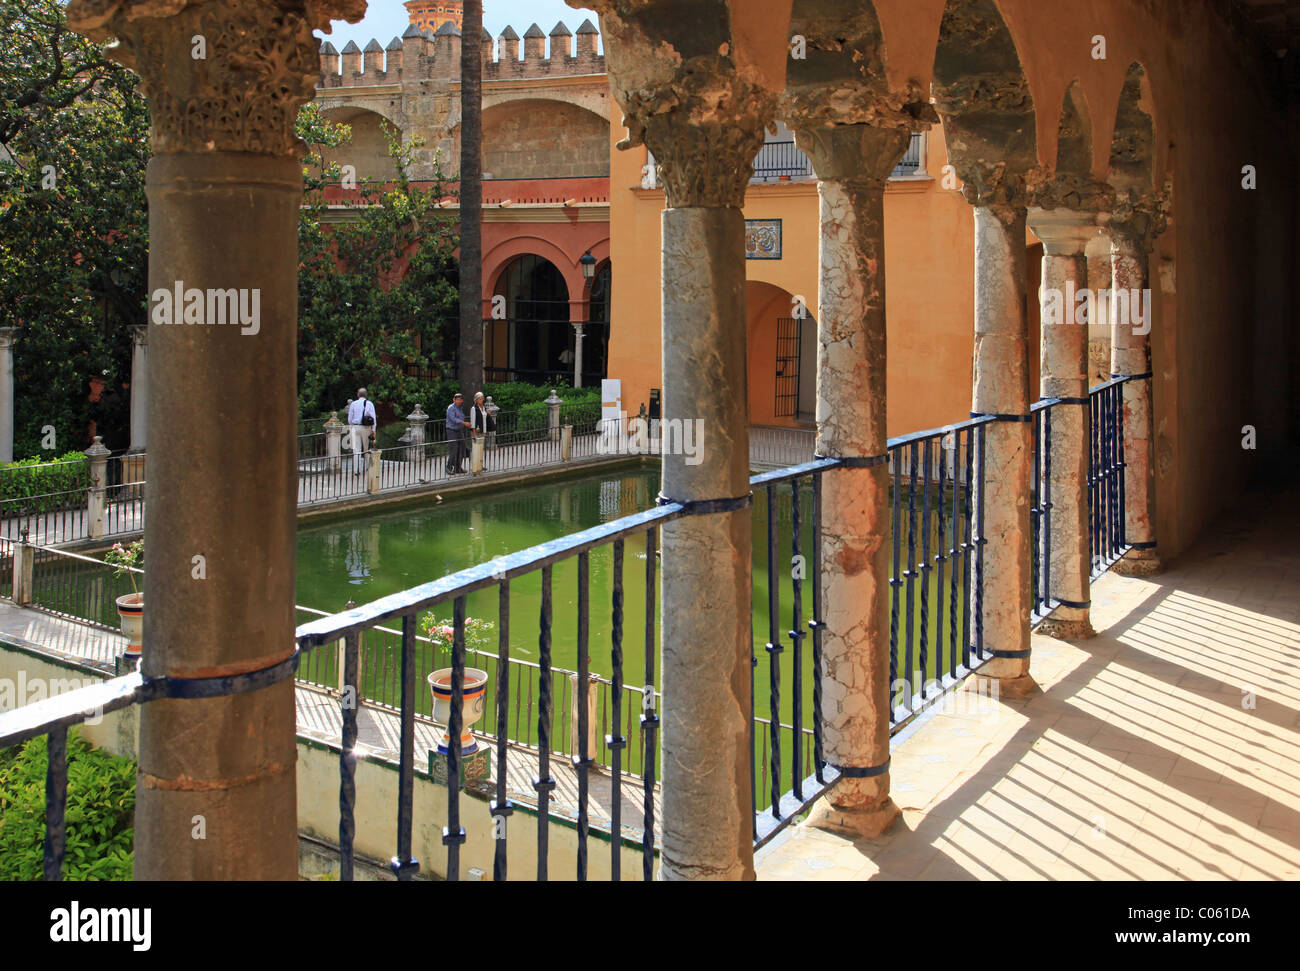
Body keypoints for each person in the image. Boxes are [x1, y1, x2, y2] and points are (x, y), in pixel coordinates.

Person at [346, 387, 377, 475]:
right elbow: (373, 418)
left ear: (358, 395)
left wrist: (352, 426)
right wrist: (374, 430)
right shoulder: (369, 404)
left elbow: (350, 419)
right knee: (366, 448)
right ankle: (368, 467)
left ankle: (356, 470)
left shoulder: (353, 404)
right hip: (366, 428)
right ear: (366, 395)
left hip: (355, 427)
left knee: (356, 450)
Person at [445, 392, 471, 474]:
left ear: (462, 400)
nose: (458, 401)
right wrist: (464, 423)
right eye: (457, 400)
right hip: (451, 430)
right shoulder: (451, 408)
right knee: (454, 449)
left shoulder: (460, 408)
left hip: (459, 430)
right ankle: (448, 467)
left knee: (462, 448)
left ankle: (458, 467)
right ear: (454, 400)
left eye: (460, 400)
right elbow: (453, 419)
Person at [469, 391, 494, 471]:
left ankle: (480, 464)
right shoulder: (474, 408)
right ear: (476, 400)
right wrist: (474, 433)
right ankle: (475, 465)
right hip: (477, 431)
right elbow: (473, 421)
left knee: (481, 449)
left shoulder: (484, 408)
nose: (481, 400)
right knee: (475, 448)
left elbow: (485, 418)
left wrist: (488, 414)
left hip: (483, 430)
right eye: (479, 399)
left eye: (482, 398)